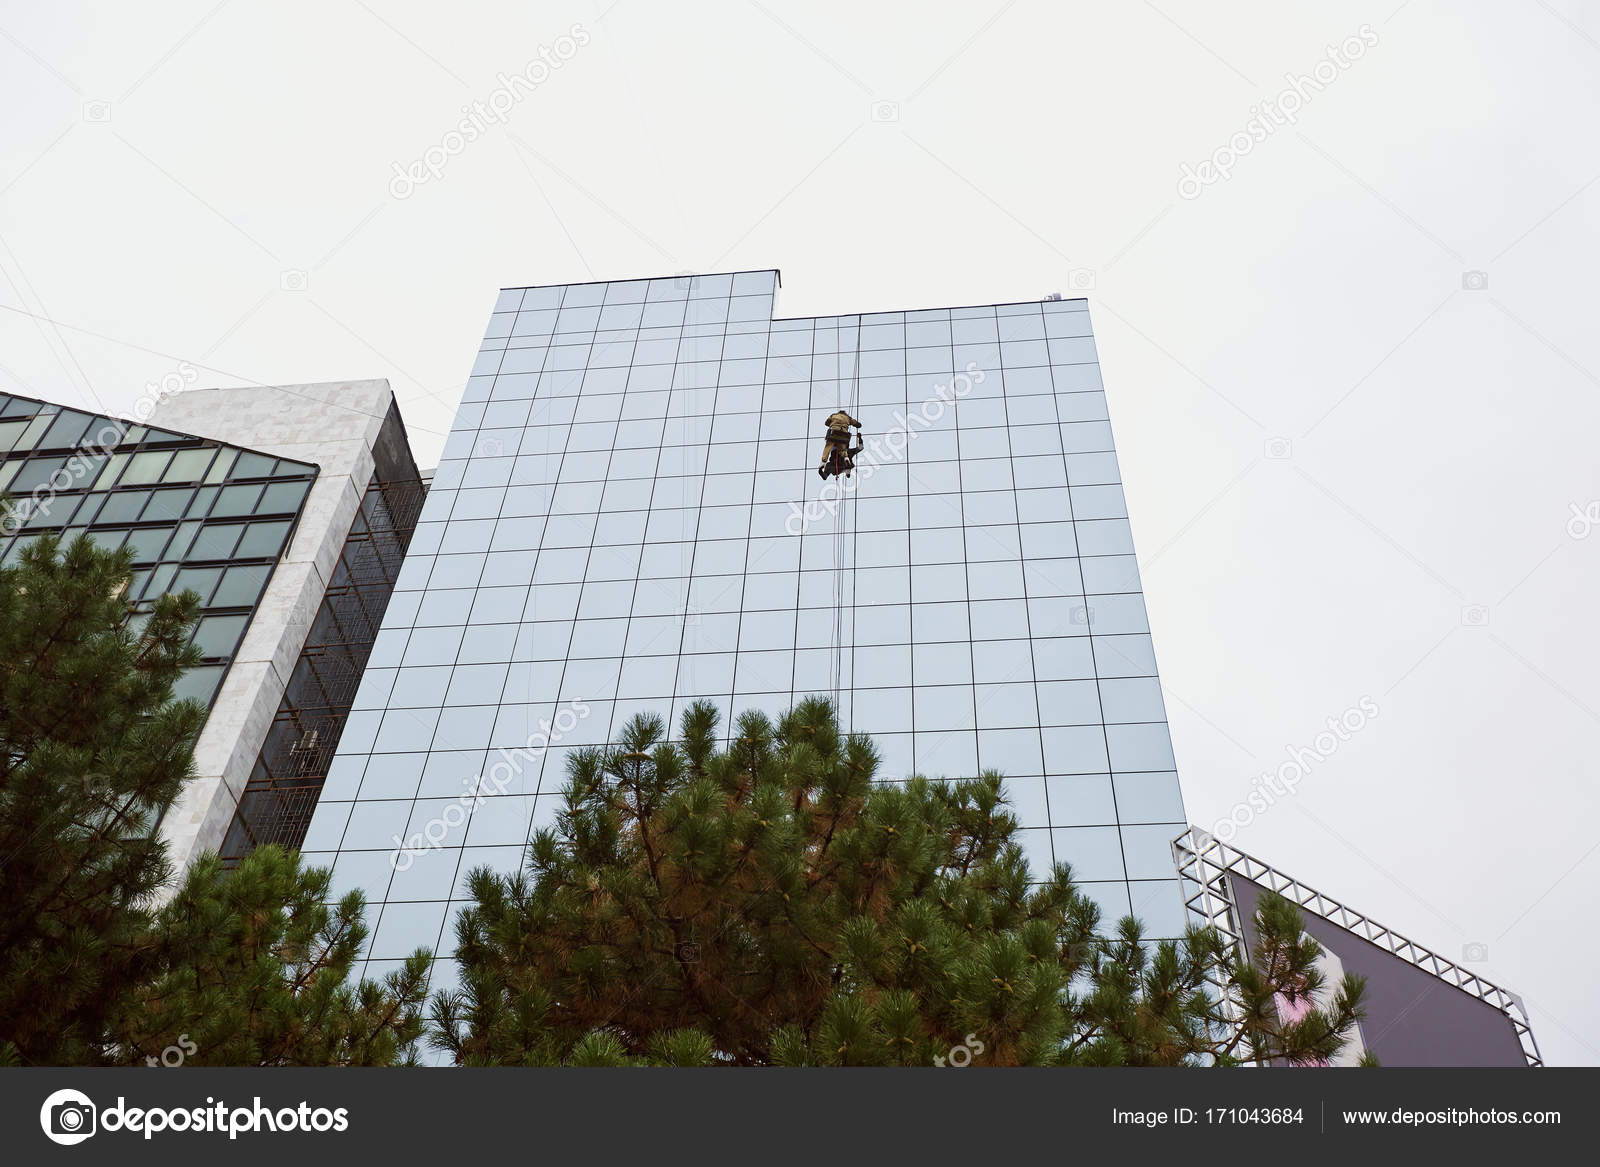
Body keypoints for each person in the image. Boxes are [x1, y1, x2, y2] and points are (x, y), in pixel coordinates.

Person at [818, 409, 862, 479]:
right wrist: (859, 433)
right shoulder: (848, 418)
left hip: (834, 433)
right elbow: (856, 424)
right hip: (843, 435)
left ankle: (823, 463)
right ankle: (846, 462)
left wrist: (832, 423)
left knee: (828, 447)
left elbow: (826, 423)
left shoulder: (833, 415)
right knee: (843, 449)